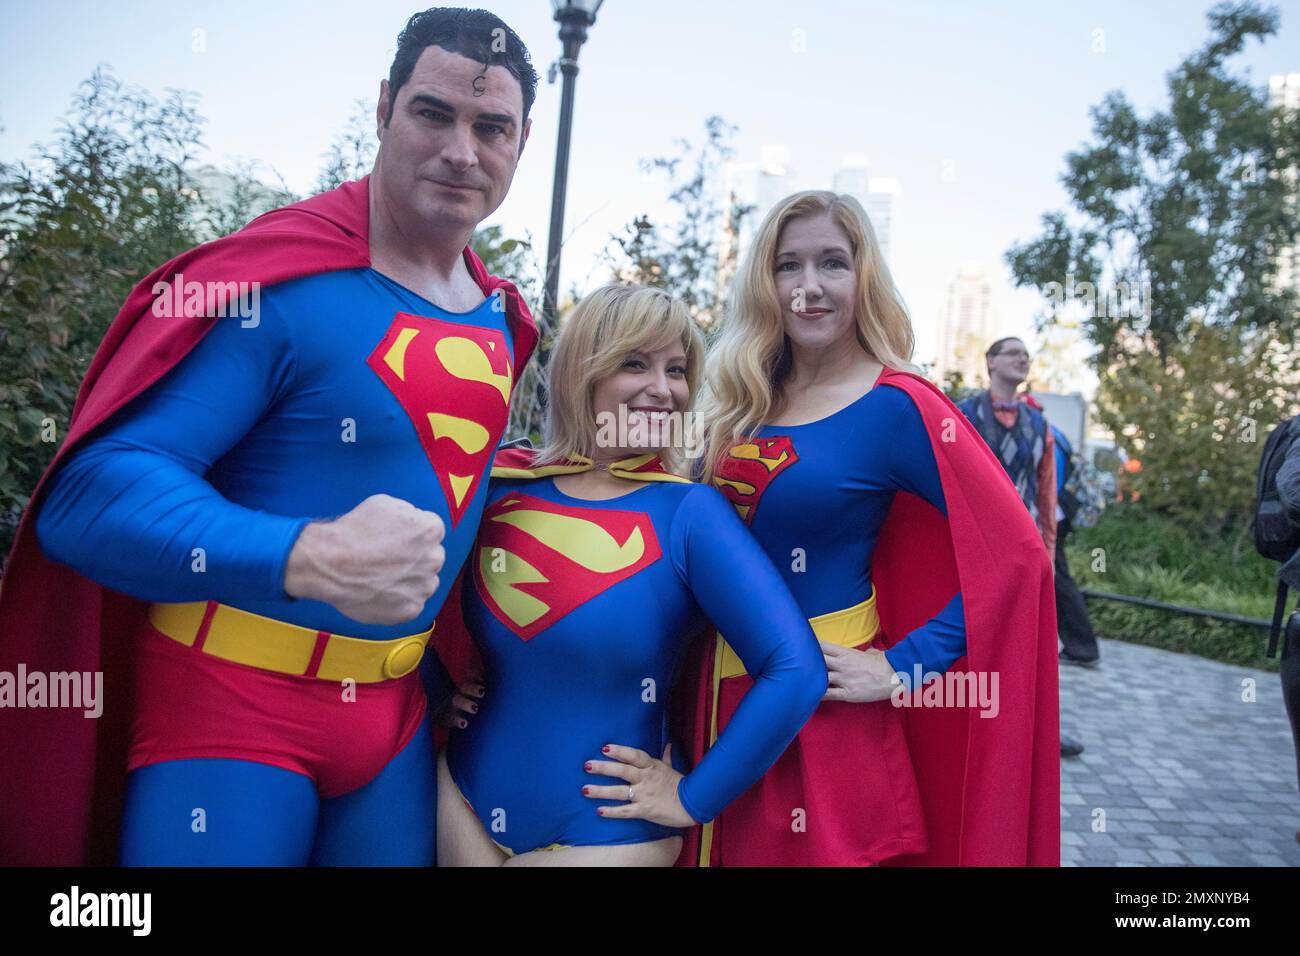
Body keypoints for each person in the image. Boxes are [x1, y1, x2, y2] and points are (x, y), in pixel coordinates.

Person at [0, 7, 540, 865]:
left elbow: (438, 471)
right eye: (433, 113)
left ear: (521, 142)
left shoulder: (504, 320)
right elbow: (90, 494)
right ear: (383, 109)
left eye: (492, 127)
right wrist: (305, 554)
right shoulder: (281, 286)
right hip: (227, 715)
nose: (462, 151)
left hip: (392, 726)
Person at [676, 190, 1059, 866]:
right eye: (788, 266)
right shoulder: (738, 395)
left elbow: (1018, 556)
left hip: (818, 719)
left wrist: (904, 666)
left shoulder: (901, 406)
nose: (809, 287)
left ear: (865, 277)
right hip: (702, 698)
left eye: (832, 263)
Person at [433, 284, 827, 866]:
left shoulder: (690, 515)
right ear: (581, 372)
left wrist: (696, 798)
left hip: (607, 837)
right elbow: (403, 605)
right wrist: (438, 692)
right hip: (459, 795)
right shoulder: (501, 486)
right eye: (635, 364)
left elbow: (795, 670)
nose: (663, 390)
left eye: (677, 369)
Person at [958, 339, 1085, 758]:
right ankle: (969, 726)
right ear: (990, 361)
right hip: (972, 546)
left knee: (1028, 644)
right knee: (970, 637)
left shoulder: (1039, 423)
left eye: (1026, 354)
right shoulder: (961, 414)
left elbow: (1046, 494)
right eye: (1012, 352)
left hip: (1024, 550)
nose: (1022, 358)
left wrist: (1046, 554)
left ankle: (1038, 729)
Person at [1049, 423, 1101, 668]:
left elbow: (1049, 485)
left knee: (1060, 580)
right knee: (1058, 579)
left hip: (1050, 519)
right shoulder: (1056, 434)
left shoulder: (1041, 433)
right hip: (1059, 516)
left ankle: (1082, 646)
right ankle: (1081, 646)